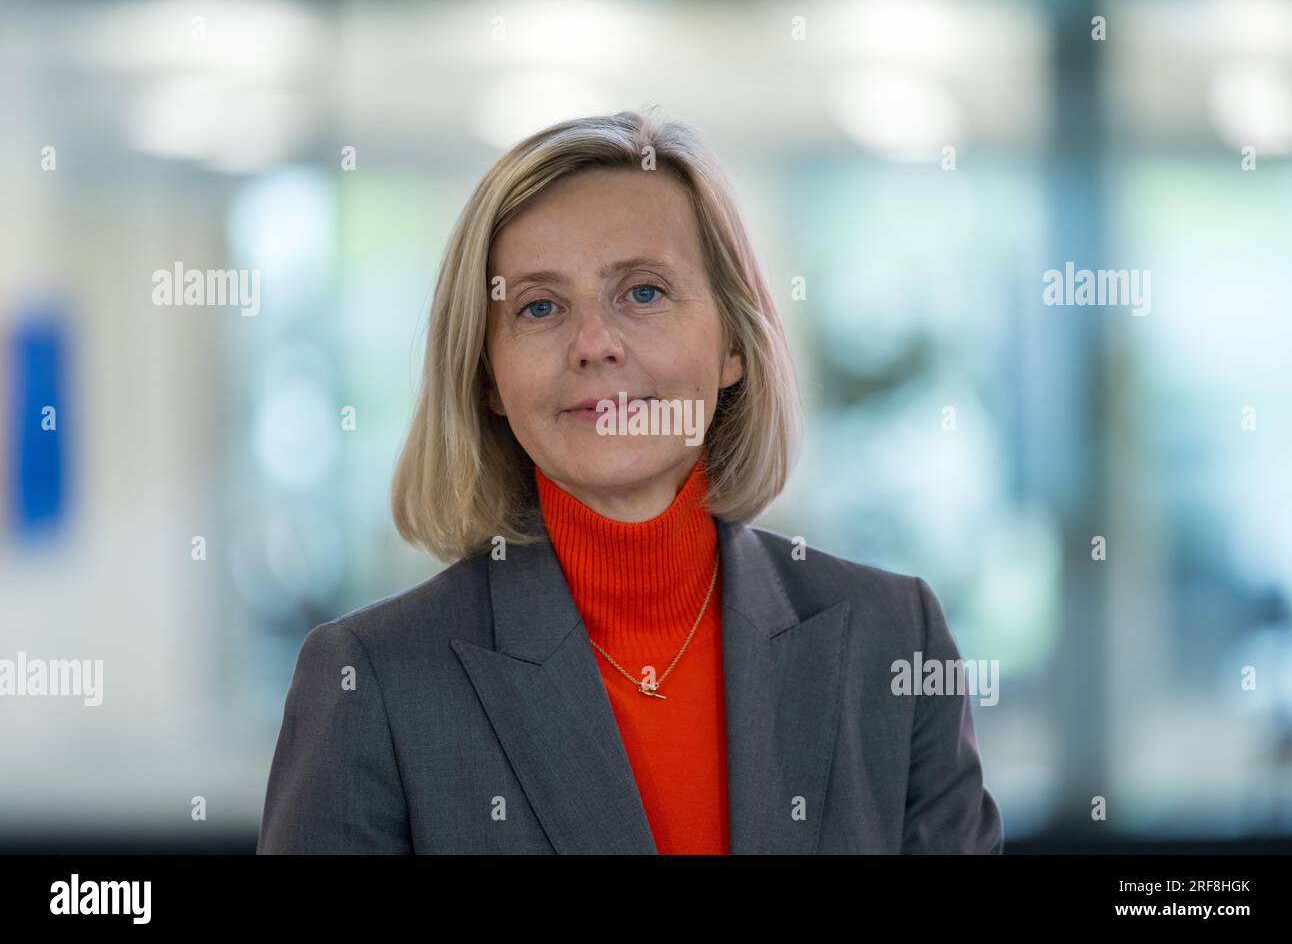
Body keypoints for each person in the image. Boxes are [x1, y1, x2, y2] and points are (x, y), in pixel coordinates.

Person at [257, 109, 1004, 854]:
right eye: (539, 307)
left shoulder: (894, 641)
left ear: (733, 347)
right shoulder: (375, 680)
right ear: (487, 376)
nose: (594, 344)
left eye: (643, 292)